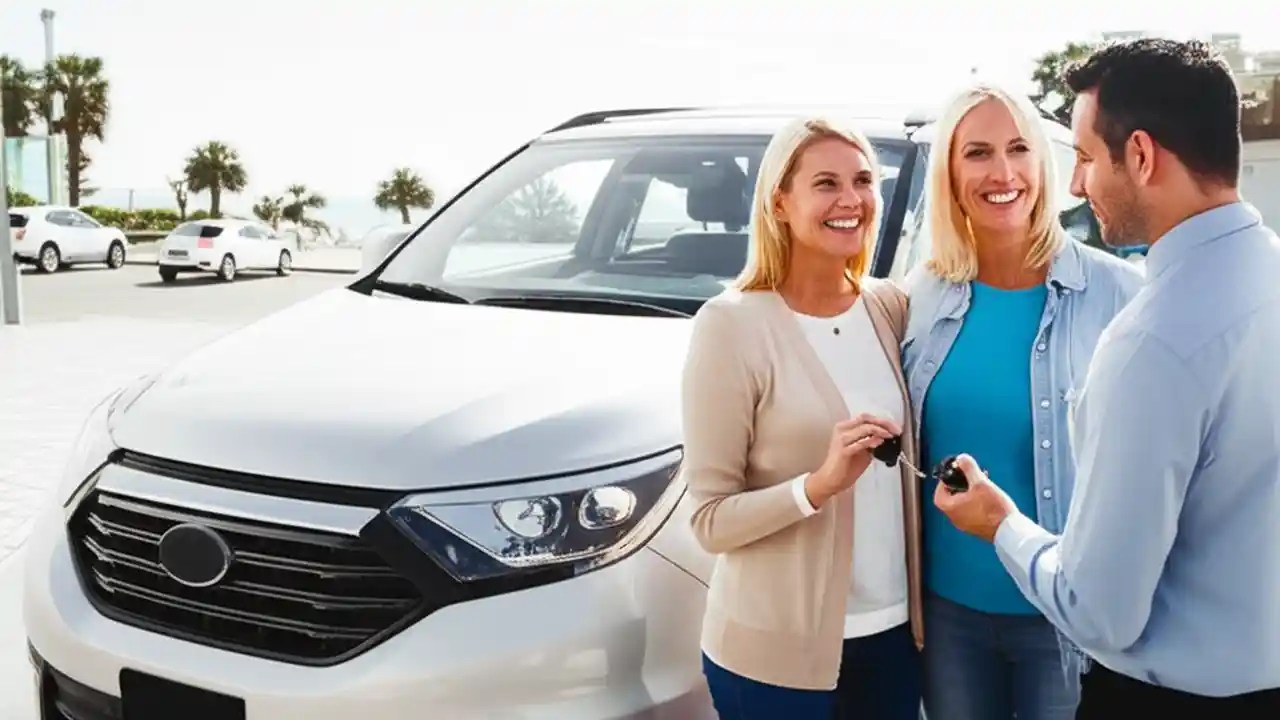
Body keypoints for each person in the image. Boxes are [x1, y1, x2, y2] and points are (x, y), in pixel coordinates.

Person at [933, 37, 1280, 718]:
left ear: (1142, 156)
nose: (1076, 184)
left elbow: (1099, 614)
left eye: (1086, 158)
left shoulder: (1150, 340)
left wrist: (1001, 522)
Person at [900, 82, 1142, 720]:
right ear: (950, 175)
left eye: (1017, 150)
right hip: (948, 616)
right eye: (977, 153)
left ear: (1044, 163)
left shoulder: (1121, 294)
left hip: (1064, 620)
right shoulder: (917, 299)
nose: (1002, 173)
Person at [680, 117, 924, 719]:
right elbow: (709, 521)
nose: (851, 200)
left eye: (863, 180)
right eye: (826, 183)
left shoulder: (889, 307)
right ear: (780, 203)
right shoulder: (731, 325)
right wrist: (817, 487)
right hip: (774, 664)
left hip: (894, 641)